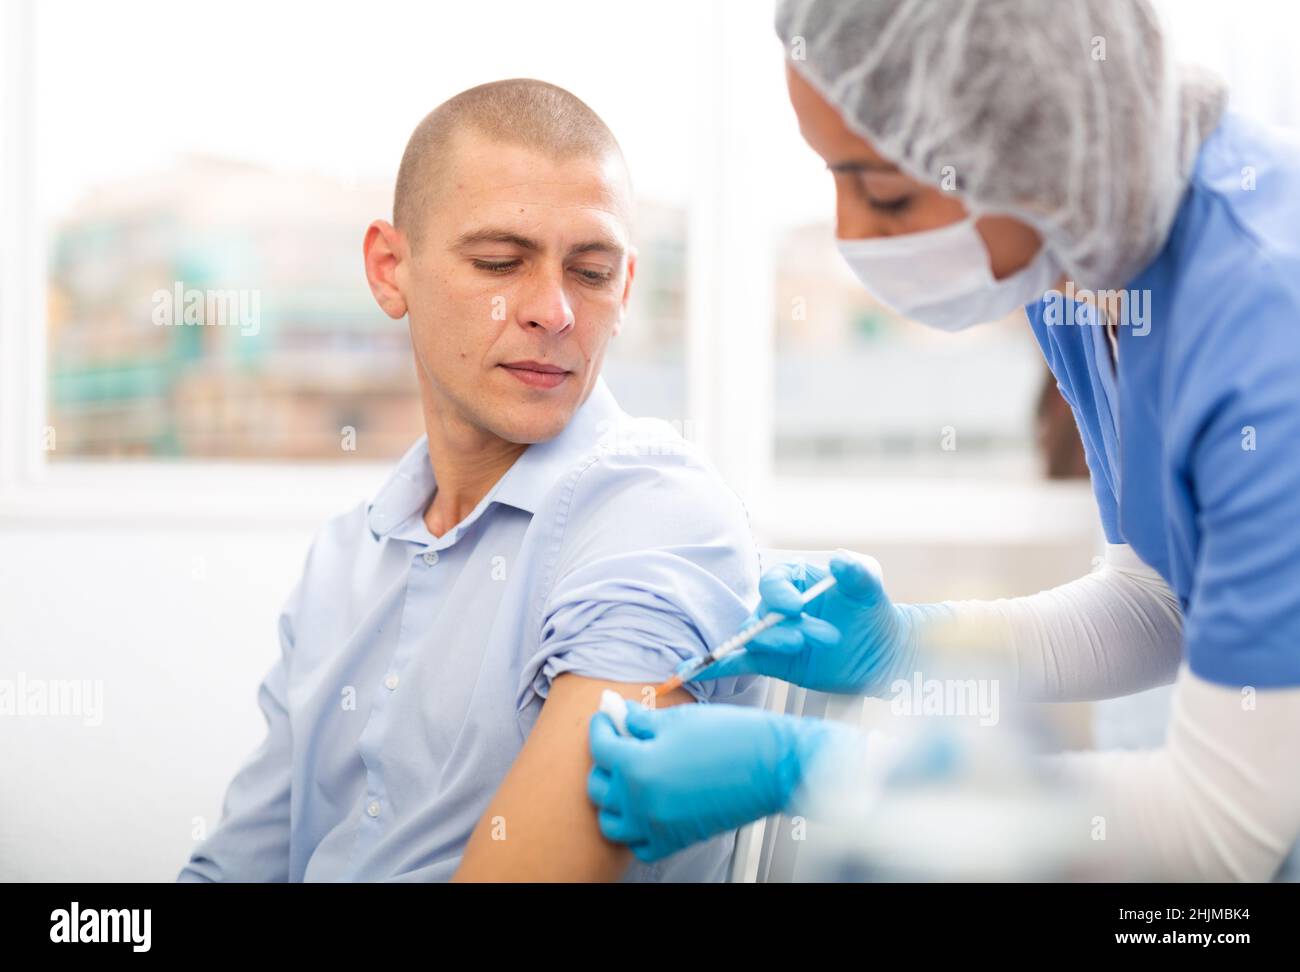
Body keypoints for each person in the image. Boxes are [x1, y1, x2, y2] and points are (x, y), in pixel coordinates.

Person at [588, 0, 1300, 881]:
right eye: (833, 181)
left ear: (1031, 139)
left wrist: (815, 772)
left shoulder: (1267, 324)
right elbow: (1164, 598)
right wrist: (907, 645)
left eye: (884, 191)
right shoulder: (1075, 266)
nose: (851, 235)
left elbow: (1221, 834)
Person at [178, 79, 763, 883]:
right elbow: (236, 867)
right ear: (391, 270)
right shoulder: (347, 555)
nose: (553, 311)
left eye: (591, 272)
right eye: (500, 261)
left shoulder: (657, 518)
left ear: (625, 292)